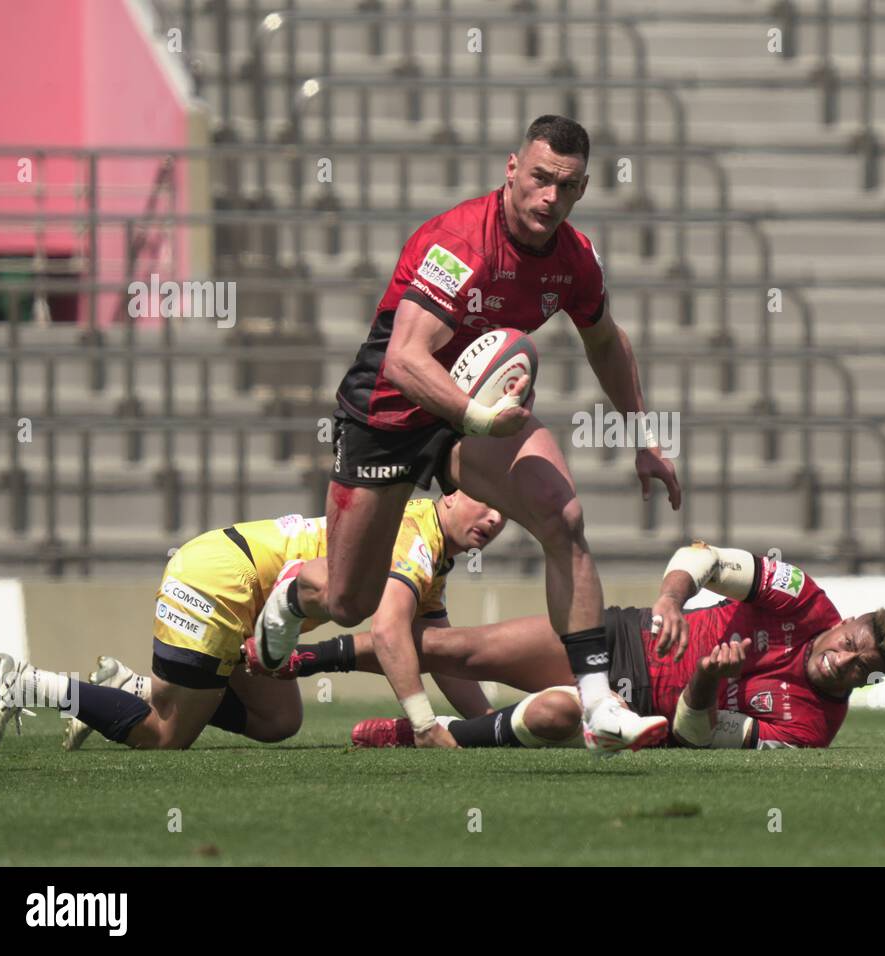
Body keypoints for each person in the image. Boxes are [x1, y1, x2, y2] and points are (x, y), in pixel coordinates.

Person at [253, 114, 680, 753]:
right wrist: (479, 416)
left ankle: (598, 702)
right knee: (348, 600)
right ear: (512, 169)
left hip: (470, 419)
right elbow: (404, 359)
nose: (549, 198)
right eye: (538, 179)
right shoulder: (459, 246)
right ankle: (295, 593)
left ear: (583, 189)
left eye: (565, 187)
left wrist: (644, 435)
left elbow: (605, 341)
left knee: (563, 517)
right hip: (390, 417)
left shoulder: (575, 258)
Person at [0, 492, 503, 753]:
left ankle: (127, 684)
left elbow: (440, 653)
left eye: (506, 514)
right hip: (222, 581)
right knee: (164, 736)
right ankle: (27, 683)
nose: (496, 520)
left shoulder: (426, 545)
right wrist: (425, 726)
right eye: (489, 505)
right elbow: (390, 635)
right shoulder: (415, 539)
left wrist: (486, 732)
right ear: (451, 494)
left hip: (240, 584)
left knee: (279, 721)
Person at [274, 544, 885, 749]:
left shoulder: (811, 727)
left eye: (859, 669)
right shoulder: (803, 599)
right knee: (457, 649)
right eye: (849, 644)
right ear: (848, 621)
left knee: (556, 715)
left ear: (871, 680)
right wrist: (672, 599)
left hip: (652, 720)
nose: (841, 660)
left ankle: (423, 735)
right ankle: (297, 659)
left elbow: (698, 738)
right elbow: (702, 556)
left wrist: (699, 684)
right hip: (629, 638)